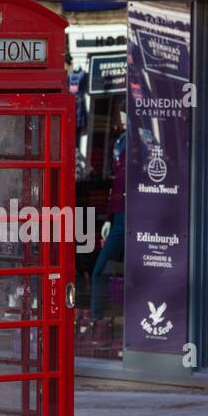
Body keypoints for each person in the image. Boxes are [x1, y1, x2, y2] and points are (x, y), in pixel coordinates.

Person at [90, 124, 126, 316]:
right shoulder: (123, 140)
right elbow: (118, 184)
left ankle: (97, 318)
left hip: (127, 215)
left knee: (99, 271)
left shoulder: (131, 142)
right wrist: (109, 218)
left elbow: (121, 182)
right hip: (121, 215)